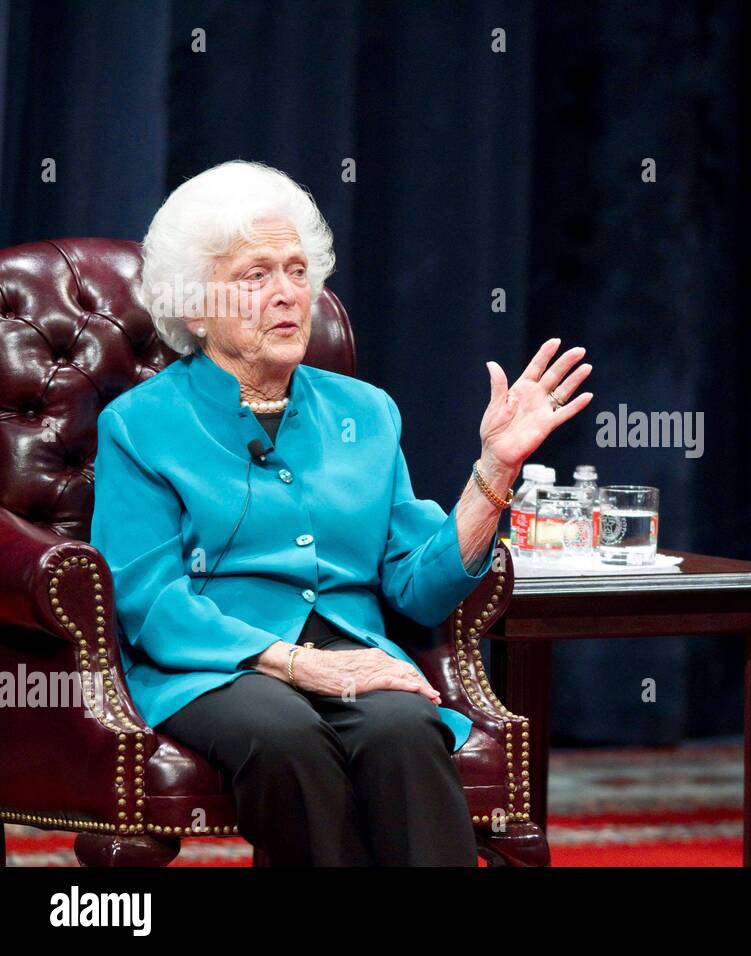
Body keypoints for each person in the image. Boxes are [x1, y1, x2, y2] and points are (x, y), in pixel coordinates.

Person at [89, 160, 593, 865]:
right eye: (255, 275)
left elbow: (419, 588)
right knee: (286, 735)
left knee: (405, 733)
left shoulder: (365, 412)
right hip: (213, 668)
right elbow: (149, 603)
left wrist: (494, 472)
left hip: (354, 652)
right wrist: (295, 664)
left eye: (298, 271)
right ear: (194, 305)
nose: (288, 294)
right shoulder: (139, 425)